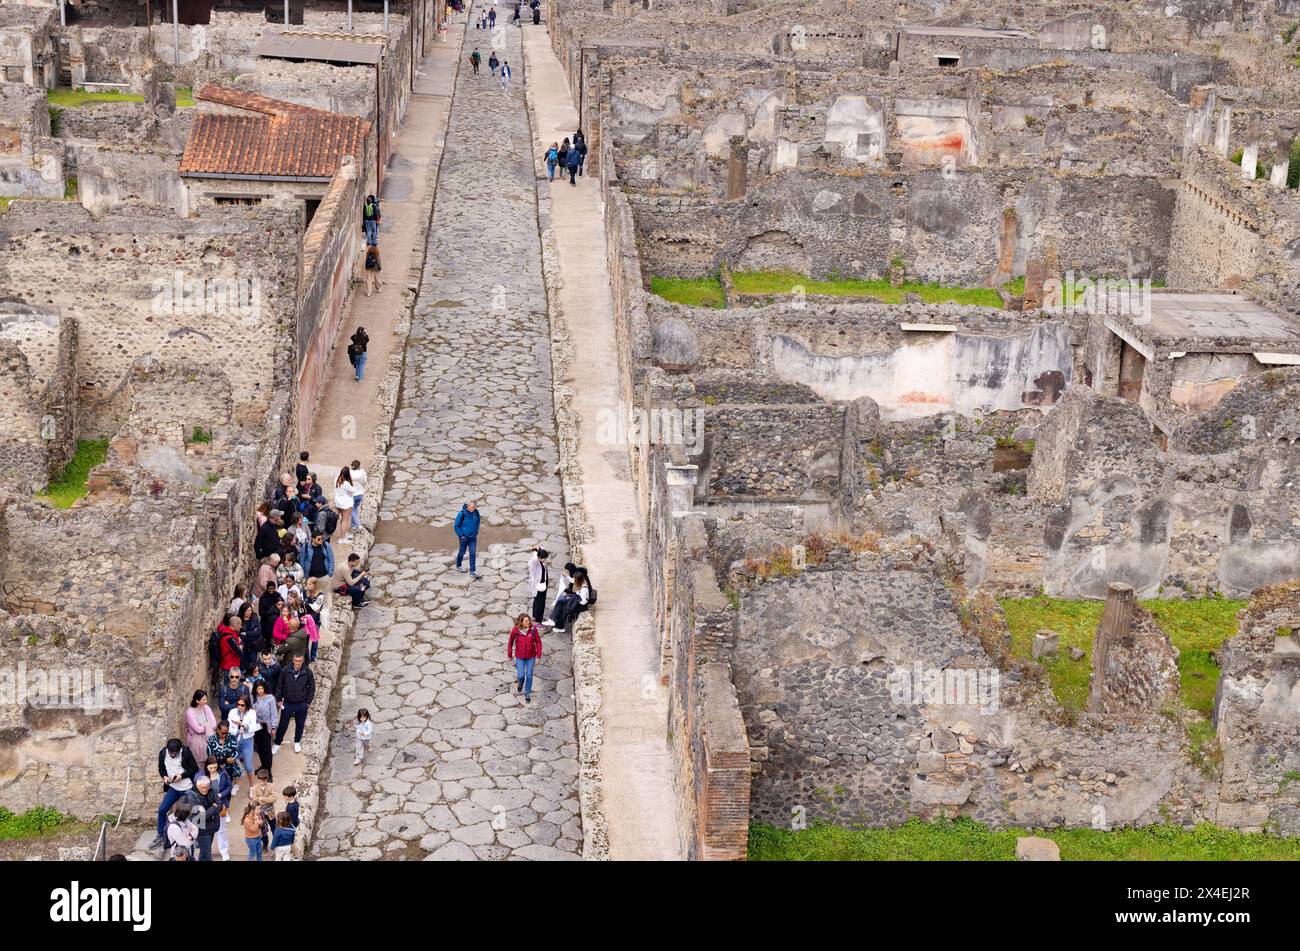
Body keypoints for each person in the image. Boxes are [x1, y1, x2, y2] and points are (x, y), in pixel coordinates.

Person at [152, 738, 197, 849]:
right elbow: (161, 769)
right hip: (173, 787)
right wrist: (164, 777)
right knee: (162, 810)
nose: (172, 755)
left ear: (179, 749)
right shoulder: (163, 753)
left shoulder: (185, 752)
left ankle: (194, 836)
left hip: (187, 787)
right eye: (171, 753)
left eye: (175, 753)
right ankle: (161, 835)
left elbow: (194, 768)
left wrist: (182, 776)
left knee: (191, 813)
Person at [273, 652, 315, 755]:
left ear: (303, 661)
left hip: (302, 704)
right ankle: (277, 743)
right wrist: (278, 699)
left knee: (300, 724)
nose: (298, 663)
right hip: (288, 703)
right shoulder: (285, 670)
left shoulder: (308, 672)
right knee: (283, 724)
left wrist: (308, 702)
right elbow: (279, 685)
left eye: (300, 661)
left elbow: (312, 687)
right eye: (296, 661)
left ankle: (297, 742)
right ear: (293, 660)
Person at [182, 774, 222, 862]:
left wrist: (209, 810)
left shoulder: (212, 790)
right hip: (201, 829)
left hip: (212, 827)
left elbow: (220, 805)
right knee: (207, 854)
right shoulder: (191, 796)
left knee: (205, 851)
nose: (205, 790)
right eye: (202, 787)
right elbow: (199, 818)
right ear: (197, 785)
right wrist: (213, 807)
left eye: (207, 787)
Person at [508, 613, 543, 703]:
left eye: (529, 620)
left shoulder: (533, 630)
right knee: (521, 675)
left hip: (531, 657)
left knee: (529, 675)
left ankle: (527, 693)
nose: (528, 622)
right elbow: (510, 642)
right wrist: (509, 655)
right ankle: (520, 683)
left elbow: (538, 642)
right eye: (526, 621)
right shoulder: (515, 631)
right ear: (521, 622)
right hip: (520, 657)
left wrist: (538, 656)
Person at [203, 759, 233, 861]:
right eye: (211, 768)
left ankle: (224, 852)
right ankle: (207, 852)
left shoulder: (223, 774)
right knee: (207, 831)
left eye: (215, 767)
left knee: (222, 830)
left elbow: (229, 786)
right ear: (206, 767)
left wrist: (221, 794)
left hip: (220, 805)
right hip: (208, 806)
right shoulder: (201, 776)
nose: (213, 769)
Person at [229, 695, 259, 784]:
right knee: (234, 765)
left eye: (242, 705)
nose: (240, 707)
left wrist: (242, 724)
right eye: (238, 704)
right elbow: (228, 728)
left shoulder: (252, 713)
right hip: (234, 740)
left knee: (248, 766)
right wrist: (238, 730)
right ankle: (236, 785)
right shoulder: (232, 712)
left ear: (247, 705)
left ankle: (252, 786)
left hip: (247, 741)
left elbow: (253, 728)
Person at [207, 718, 242, 793]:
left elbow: (235, 751)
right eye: (223, 733)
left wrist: (232, 758)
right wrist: (225, 760)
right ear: (218, 730)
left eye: (226, 733)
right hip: (216, 766)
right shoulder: (211, 739)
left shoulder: (231, 738)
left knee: (228, 788)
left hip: (230, 766)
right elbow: (210, 757)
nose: (225, 735)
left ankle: (235, 786)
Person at [252, 680, 277, 780]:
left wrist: (274, 727)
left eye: (261, 688)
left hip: (266, 726)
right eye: (258, 689)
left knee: (267, 750)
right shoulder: (253, 697)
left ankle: (268, 771)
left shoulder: (270, 698)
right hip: (257, 726)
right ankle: (263, 766)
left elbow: (274, 714)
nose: (260, 691)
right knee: (260, 748)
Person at [184, 690, 217, 765]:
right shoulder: (190, 712)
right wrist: (207, 725)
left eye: (206, 699)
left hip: (208, 736)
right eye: (204, 699)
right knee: (198, 762)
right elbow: (197, 729)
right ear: (197, 701)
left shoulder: (206, 708)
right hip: (195, 739)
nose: (206, 701)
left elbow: (214, 723)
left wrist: (203, 725)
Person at [250, 769, 278, 849]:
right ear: (258, 779)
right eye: (260, 780)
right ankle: (265, 845)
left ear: (267, 778)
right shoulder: (255, 787)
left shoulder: (271, 786)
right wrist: (267, 799)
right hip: (260, 812)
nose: (262, 782)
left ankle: (275, 844)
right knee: (262, 830)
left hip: (270, 812)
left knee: (274, 828)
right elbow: (254, 799)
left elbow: (274, 799)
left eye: (264, 780)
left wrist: (261, 798)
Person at [454, 501, 481, 579]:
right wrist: (461, 535)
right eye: (472, 507)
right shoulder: (461, 514)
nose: (473, 509)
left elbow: (478, 522)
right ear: (468, 506)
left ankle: (473, 571)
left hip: (473, 537)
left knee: (473, 553)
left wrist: (476, 532)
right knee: (462, 552)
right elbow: (456, 526)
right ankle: (458, 565)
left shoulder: (476, 513)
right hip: (464, 537)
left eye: (475, 507)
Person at [333, 468, 356, 544]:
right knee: (345, 520)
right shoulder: (346, 483)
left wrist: (348, 492)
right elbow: (353, 489)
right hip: (346, 504)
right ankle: (342, 538)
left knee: (343, 520)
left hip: (338, 503)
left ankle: (344, 534)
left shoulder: (336, 479)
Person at [528, 547, 550, 622]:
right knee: (539, 604)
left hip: (542, 585)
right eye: (544, 558)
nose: (545, 560)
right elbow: (535, 558)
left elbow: (542, 549)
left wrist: (538, 548)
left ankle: (535, 617)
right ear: (539, 557)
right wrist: (534, 550)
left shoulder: (539, 561)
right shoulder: (535, 563)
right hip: (539, 587)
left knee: (537, 602)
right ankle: (538, 620)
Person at [349, 459, 368, 533]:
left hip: (352, 494)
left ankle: (358, 524)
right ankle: (353, 526)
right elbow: (364, 481)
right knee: (356, 508)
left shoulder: (349, 472)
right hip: (360, 493)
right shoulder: (362, 472)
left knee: (352, 510)